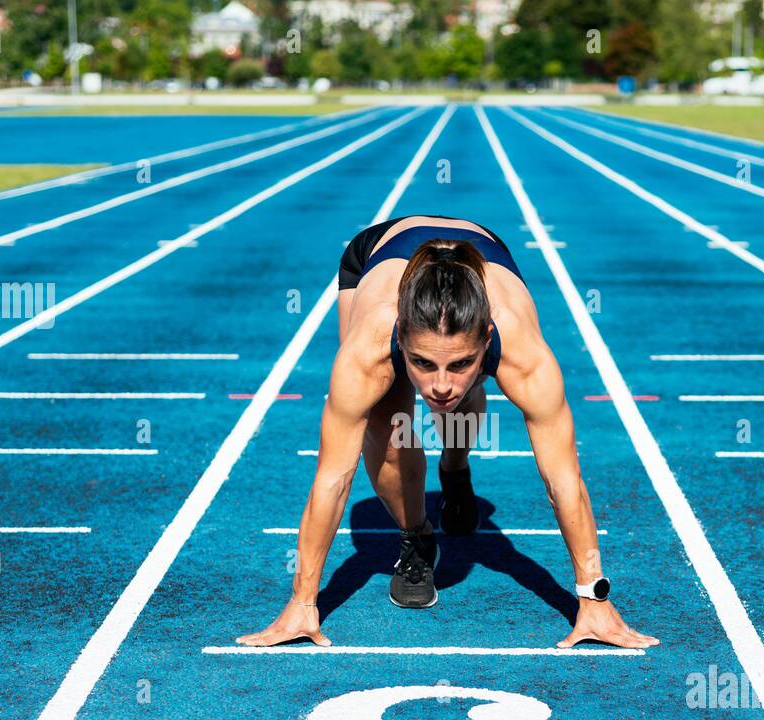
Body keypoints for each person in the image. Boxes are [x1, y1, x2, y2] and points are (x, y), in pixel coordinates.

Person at [236, 215, 656, 650]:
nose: (439, 383)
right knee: (384, 428)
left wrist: (593, 598)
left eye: (460, 363)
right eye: (422, 363)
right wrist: (303, 603)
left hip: (486, 250)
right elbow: (334, 478)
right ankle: (416, 537)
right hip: (374, 256)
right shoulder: (370, 349)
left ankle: (455, 468)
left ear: (488, 339)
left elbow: (563, 480)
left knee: (461, 401)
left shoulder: (524, 355)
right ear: (400, 337)